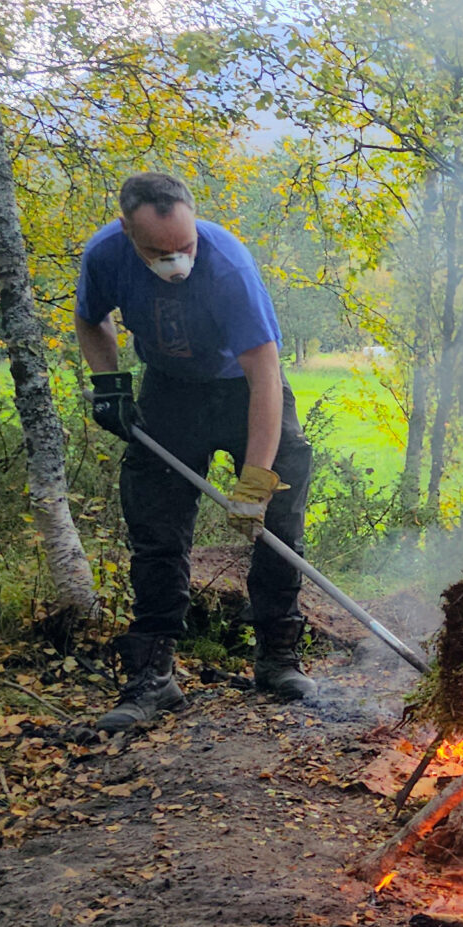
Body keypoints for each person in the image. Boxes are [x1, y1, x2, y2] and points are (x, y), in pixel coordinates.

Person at [75, 172, 317, 731]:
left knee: (278, 520)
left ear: (194, 224)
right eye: (159, 251)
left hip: (243, 390)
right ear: (127, 232)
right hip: (169, 391)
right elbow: (91, 319)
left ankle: (278, 657)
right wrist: (109, 384)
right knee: (156, 526)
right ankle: (154, 676)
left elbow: (265, 375)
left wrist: (255, 483)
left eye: (185, 247)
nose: (176, 261)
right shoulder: (106, 256)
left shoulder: (228, 266)